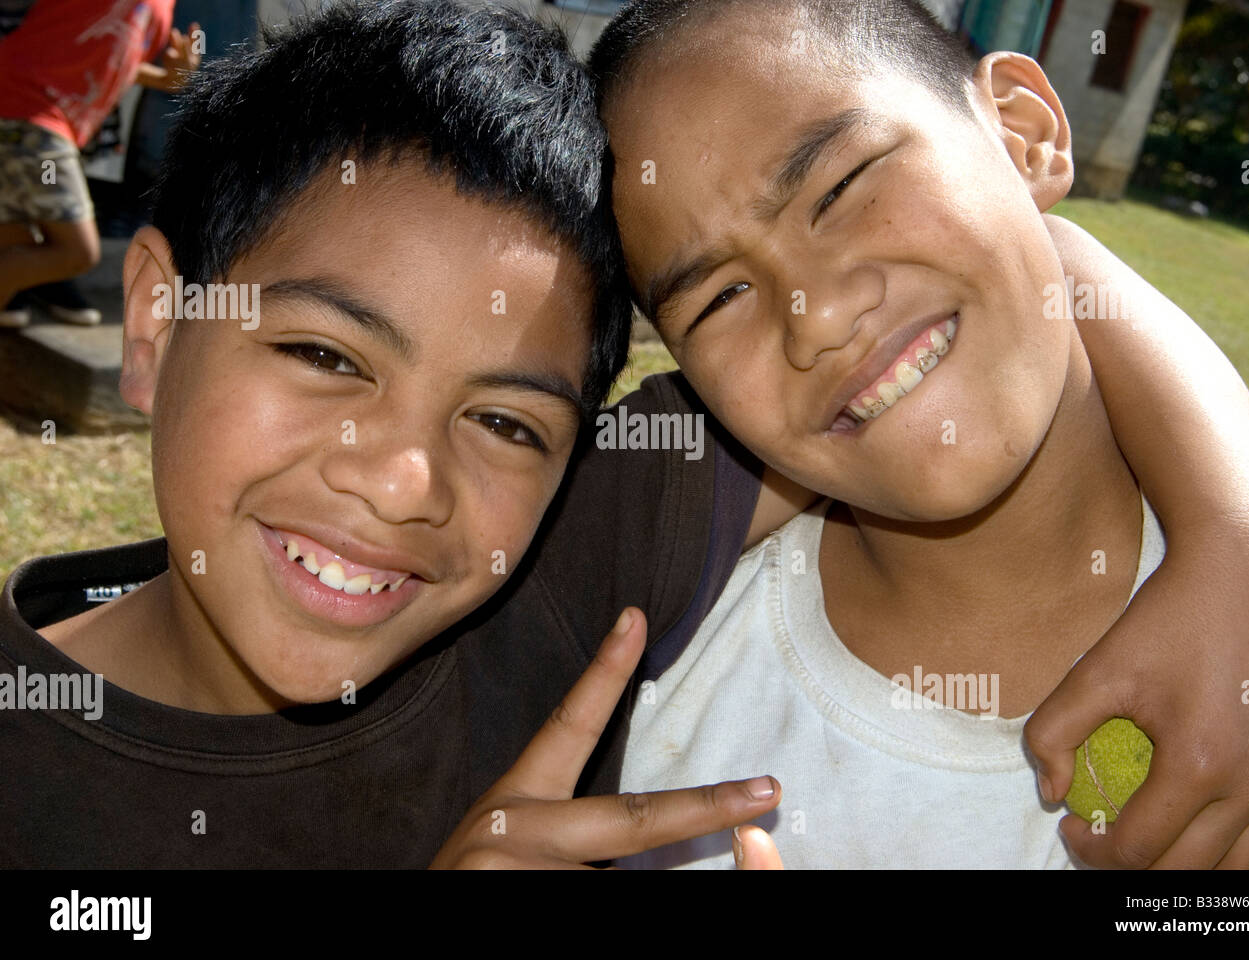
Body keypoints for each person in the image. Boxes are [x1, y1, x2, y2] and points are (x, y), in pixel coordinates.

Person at [0, 0, 787, 868]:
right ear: (157, 320)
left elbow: (849, 363)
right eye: (325, 356)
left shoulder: (554, 574)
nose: (403, 482)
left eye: (503, 422)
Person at [575, 0, 1249, 868]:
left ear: (1023, 134)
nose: (821, 319)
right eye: (720, 297)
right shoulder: (647, 718)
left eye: (843, 187)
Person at [0, 0, 199, 328]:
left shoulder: (161, 9)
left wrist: (168, 78)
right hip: (30, 117)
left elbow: (115, 60)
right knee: (76, 251)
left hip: (32, 120)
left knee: (15, 242)